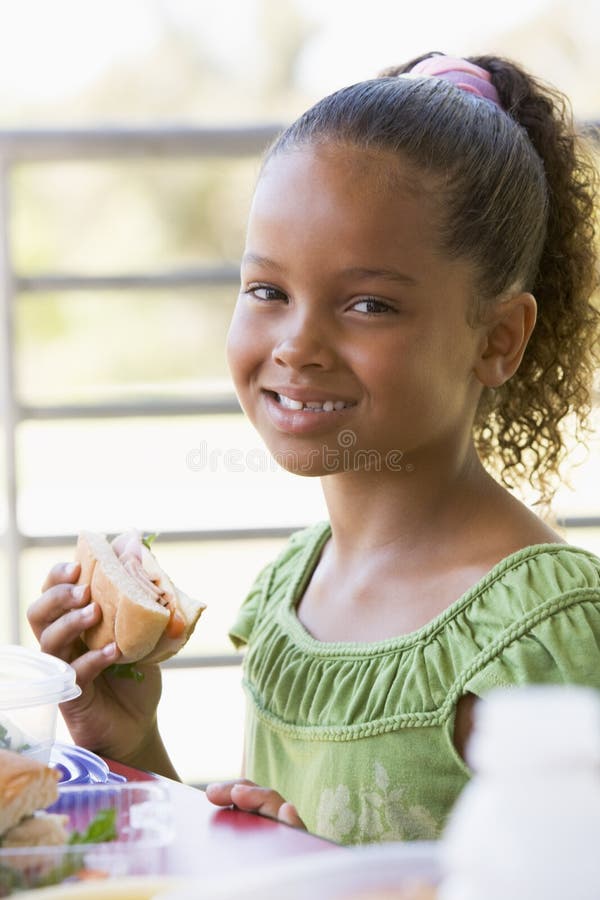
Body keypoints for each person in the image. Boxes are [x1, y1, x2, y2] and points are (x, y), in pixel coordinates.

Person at [28, 52, 600, 846]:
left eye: (369, 303)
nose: (297, 344)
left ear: (498, 339)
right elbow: (243, 861)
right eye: (268, 291)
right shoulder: (288, 594)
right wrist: (126, 742)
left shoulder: (545, 637)